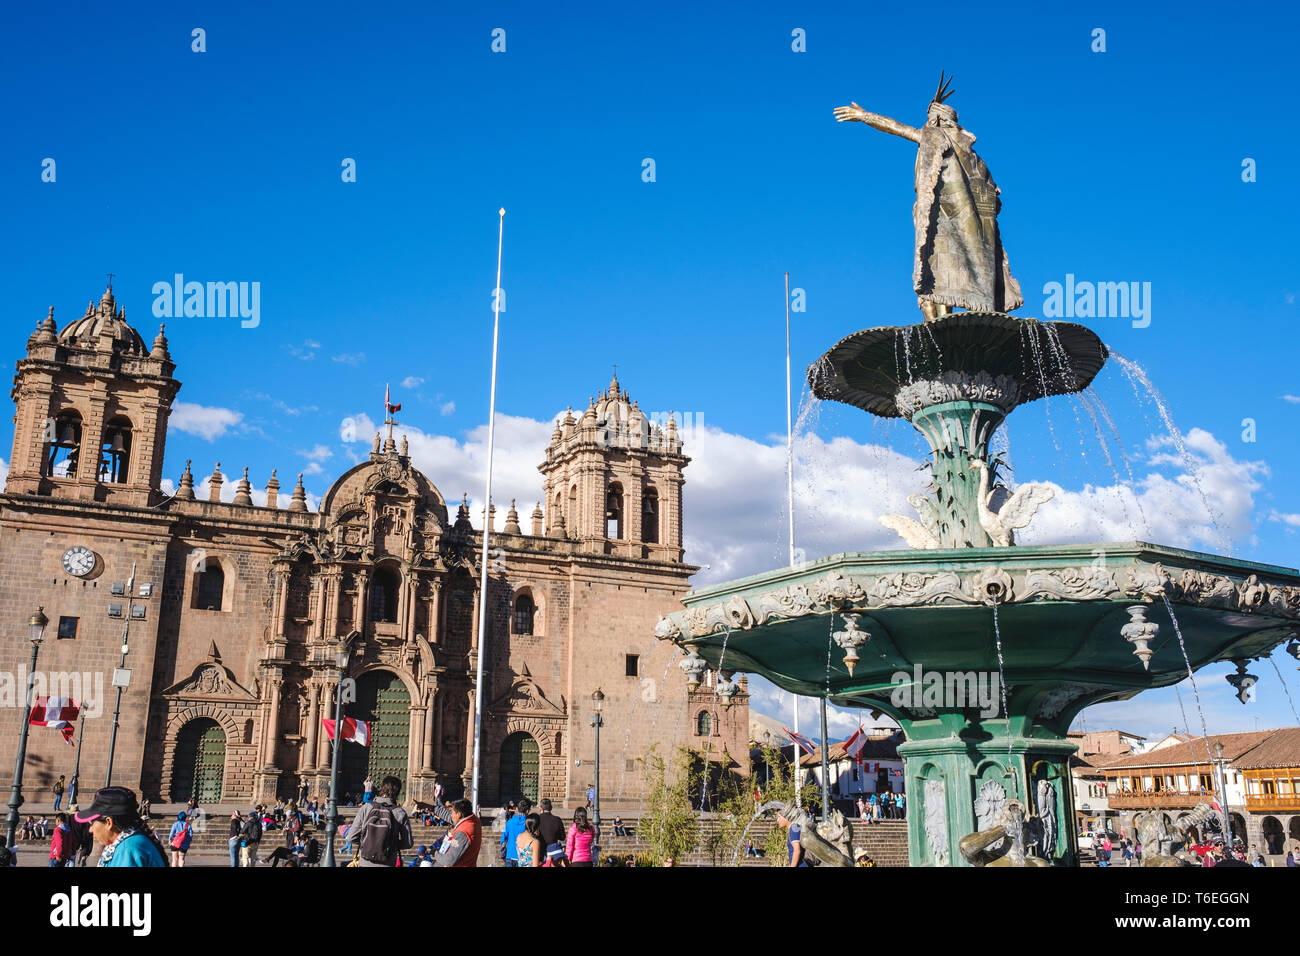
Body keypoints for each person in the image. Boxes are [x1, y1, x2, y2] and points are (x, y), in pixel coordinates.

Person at [75, 787, 167, 867]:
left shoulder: (128, 850)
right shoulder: (130, 843)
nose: (90, 830)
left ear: (108, 822)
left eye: (92, 823)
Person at [350, 775, 413, 867]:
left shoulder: (366, 808)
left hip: (365, 862)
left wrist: (367, 842)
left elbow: (351, 837)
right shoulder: (400, 813)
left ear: (382, 788)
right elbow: (408, 843)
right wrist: (390, 843)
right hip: (388, 862)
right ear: (398, 792)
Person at [434, 799, 482, 867]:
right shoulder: (475, 820)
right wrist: (433, 808)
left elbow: (449, 860)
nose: (451, 815)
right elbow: (451, 818)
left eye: (452, 812)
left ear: (459, 814)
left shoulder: (462, 833)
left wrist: (435, 854)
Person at [500, 798, 530, 867]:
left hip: (510, 855)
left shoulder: (509, 822)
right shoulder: (528, 824)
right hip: (523, 857)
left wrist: (503, 853)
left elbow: (503, 840)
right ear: (527, 811)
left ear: (517, 808)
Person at [537, 798, 566, 863]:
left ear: (540, 808)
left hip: (540, 852)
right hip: (553, 852)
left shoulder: (537, 819)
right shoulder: (557, 820)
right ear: (551, 808)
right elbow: (562, 837)